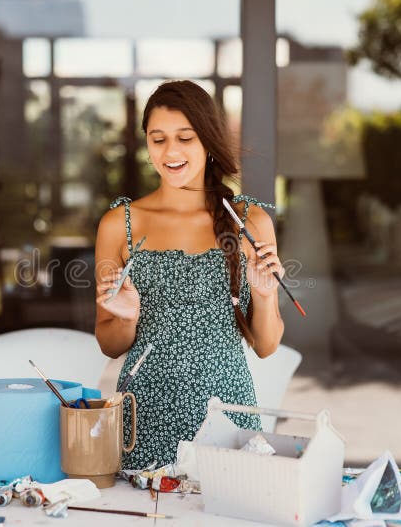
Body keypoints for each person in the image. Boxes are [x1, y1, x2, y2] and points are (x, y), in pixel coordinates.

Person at [93, 80, 285, 469]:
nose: (171, 152)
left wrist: (263, 295)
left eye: (185, 137)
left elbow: (265, 346)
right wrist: (128, 319)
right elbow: (109, 343)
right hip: (144, 415)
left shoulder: (251, 222)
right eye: (158, 139)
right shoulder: (119, 224)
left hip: (227, 413)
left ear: (208, 141)